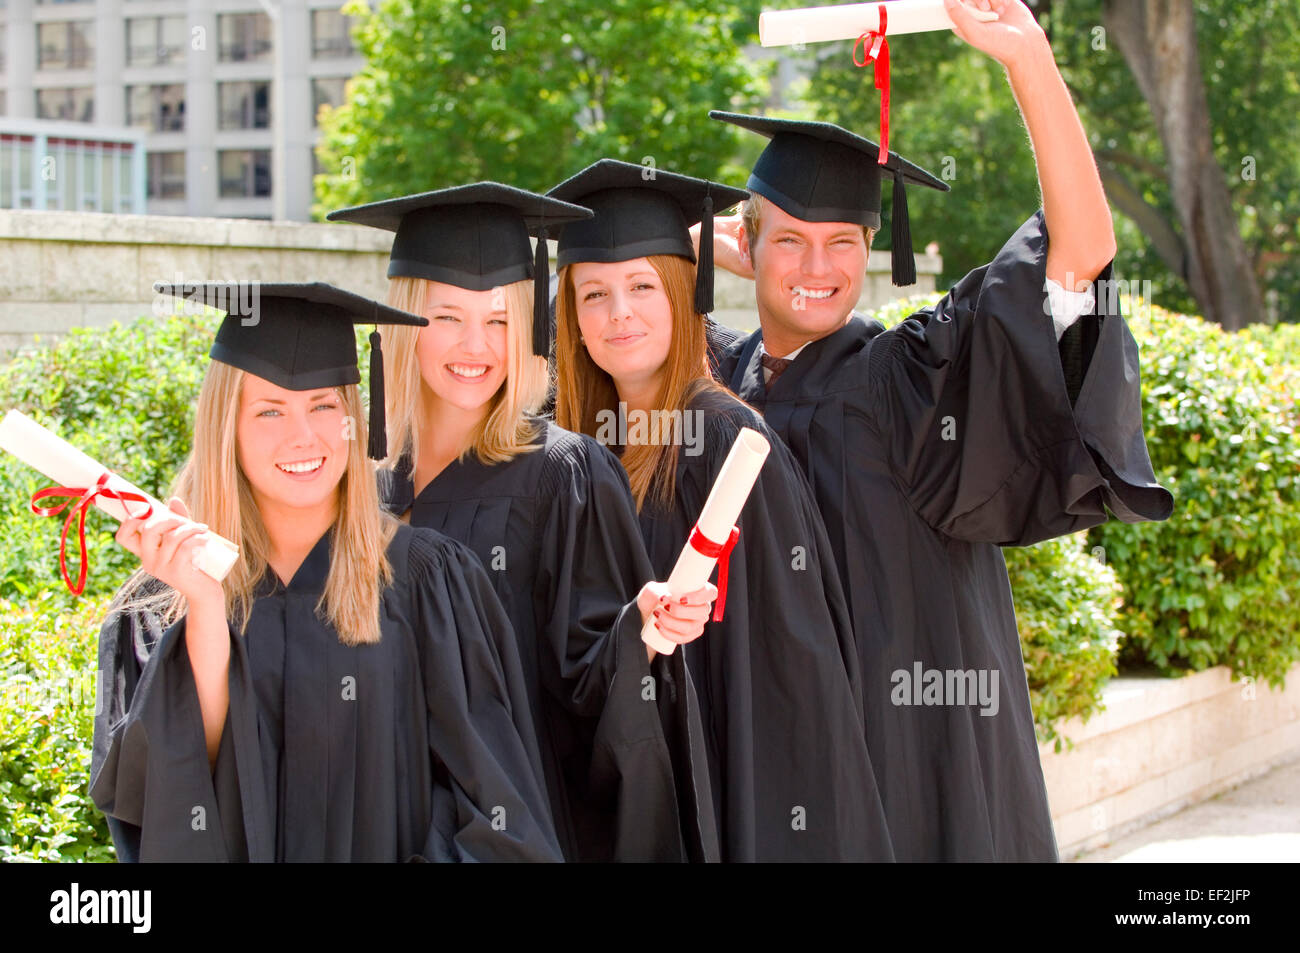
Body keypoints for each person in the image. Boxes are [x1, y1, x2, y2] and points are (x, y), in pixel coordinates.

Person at [708, 0, 1174, 862]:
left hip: (915, 782)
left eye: (842, 241)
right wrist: (726, 242)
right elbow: (619, 276)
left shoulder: (908, 381)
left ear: (873, 246)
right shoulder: (720, 387)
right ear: (745, 239)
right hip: (770, 784)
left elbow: (1076, 260)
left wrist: (1027, 60)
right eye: (790, 241)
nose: (820, 268)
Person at [91, 282, 562, 862]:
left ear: (352, 421)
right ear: (226, 428)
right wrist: (205, 612)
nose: (304, 436)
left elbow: (498, 815)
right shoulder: (160, 600)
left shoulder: (426, 582)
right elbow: (166, 802)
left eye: (324, 405)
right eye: (269, 410)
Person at [326, 185, 720, 862]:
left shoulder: (564, 475)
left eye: (501, 319)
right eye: (446, 316)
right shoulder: (359, 485)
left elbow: (592, 686)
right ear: (402, 320)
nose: (475, 345)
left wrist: (640, 632)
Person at [548, 159, 895, 861]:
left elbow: (790, 680)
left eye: (644, 285)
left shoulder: (723, 439)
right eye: (594, 294)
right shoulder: (568, 453)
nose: (619, 313)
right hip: (607, 796)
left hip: (718, 804)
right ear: (570, 317)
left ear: (684, 293)